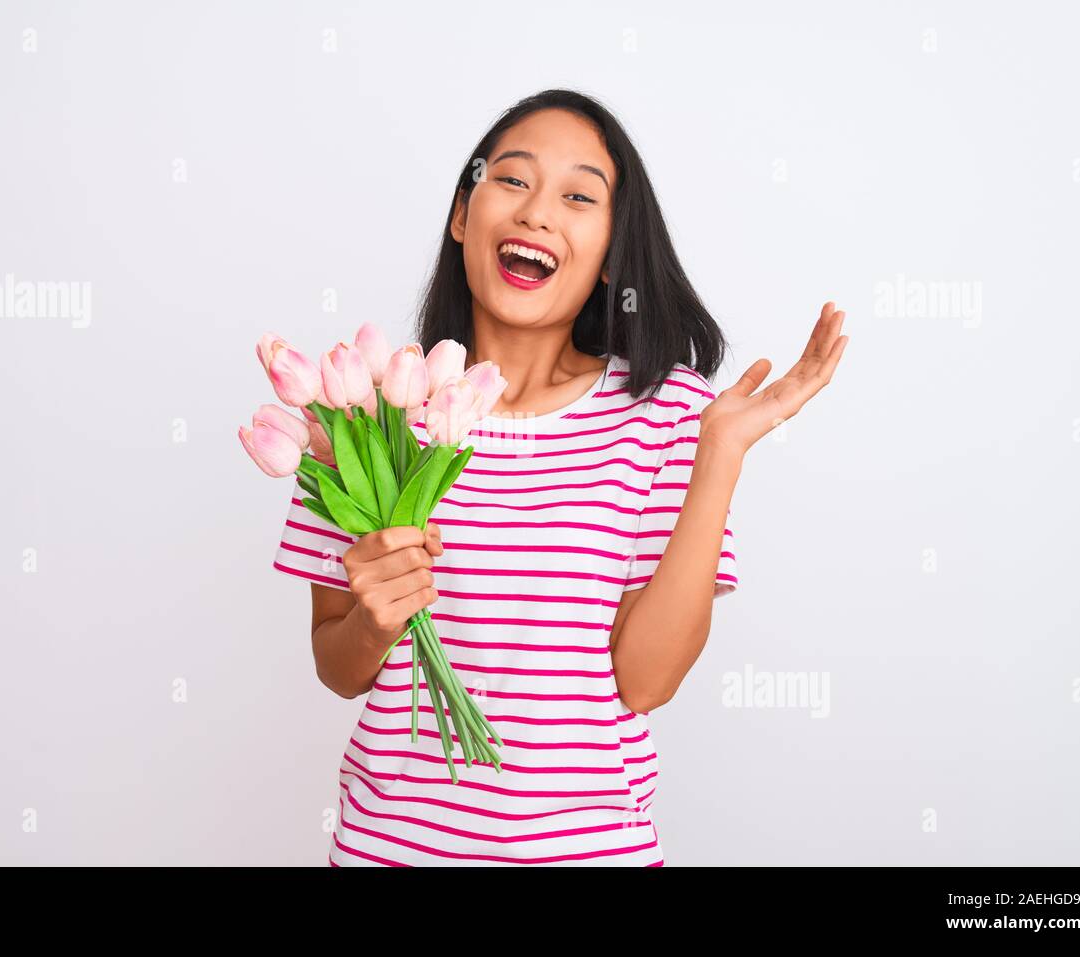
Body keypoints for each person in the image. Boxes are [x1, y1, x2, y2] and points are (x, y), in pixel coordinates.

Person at [272, 89, 848, 866]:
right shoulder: (363, 410)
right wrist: (374, 621)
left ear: (611, 254)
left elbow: (645, 681)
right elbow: (336, 667)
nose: (538, 212)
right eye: (511, 180)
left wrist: (719, 457)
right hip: (388, 849)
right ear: (461, 216)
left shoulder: (667, 412)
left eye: (578, 196)